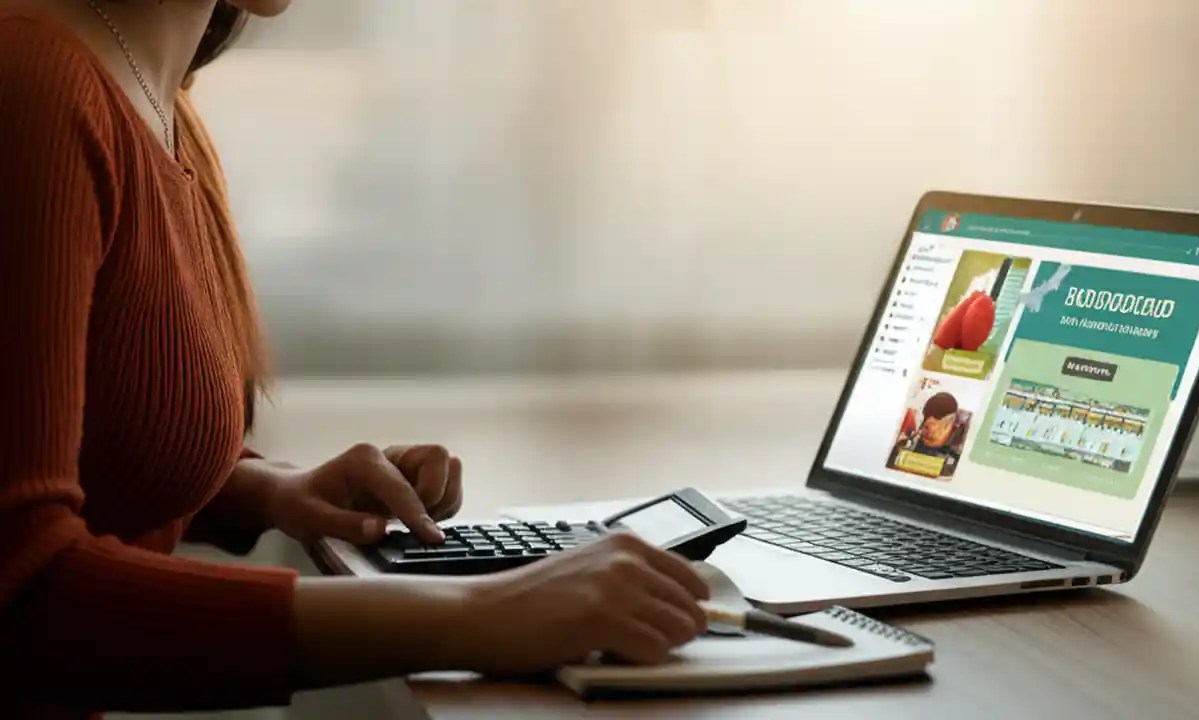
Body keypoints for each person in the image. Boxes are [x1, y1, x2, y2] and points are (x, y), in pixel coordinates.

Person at [0, 1, 710, 717]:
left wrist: (272, 490)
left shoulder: (157, 99)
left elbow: (93, 431)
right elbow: (19, 595)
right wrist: (479, 614)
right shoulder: (31, 85)